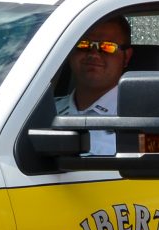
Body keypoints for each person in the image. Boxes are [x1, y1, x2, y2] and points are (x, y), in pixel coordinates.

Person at [54, 14, 132, 156]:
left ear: (126, 56)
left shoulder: (141, 119)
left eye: (107, 47)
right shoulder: (43, 112)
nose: (93, 54)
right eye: (83, 44)